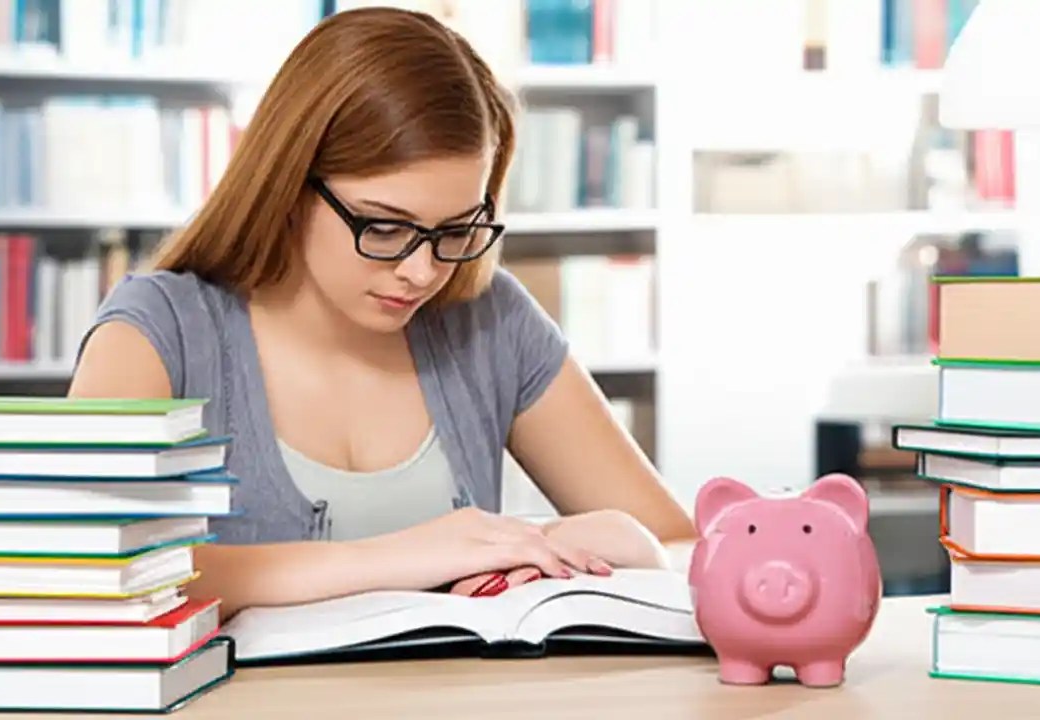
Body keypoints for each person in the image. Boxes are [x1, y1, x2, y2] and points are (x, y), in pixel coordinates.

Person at [68, 6, 694, 618]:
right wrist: (401, 558)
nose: (421, 271)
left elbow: (684, 547)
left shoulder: (490, 321)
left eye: (456, 229)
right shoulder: (160, 330)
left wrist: (618, 545)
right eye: (385, 227)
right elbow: (92, 567)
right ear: (290, 183)